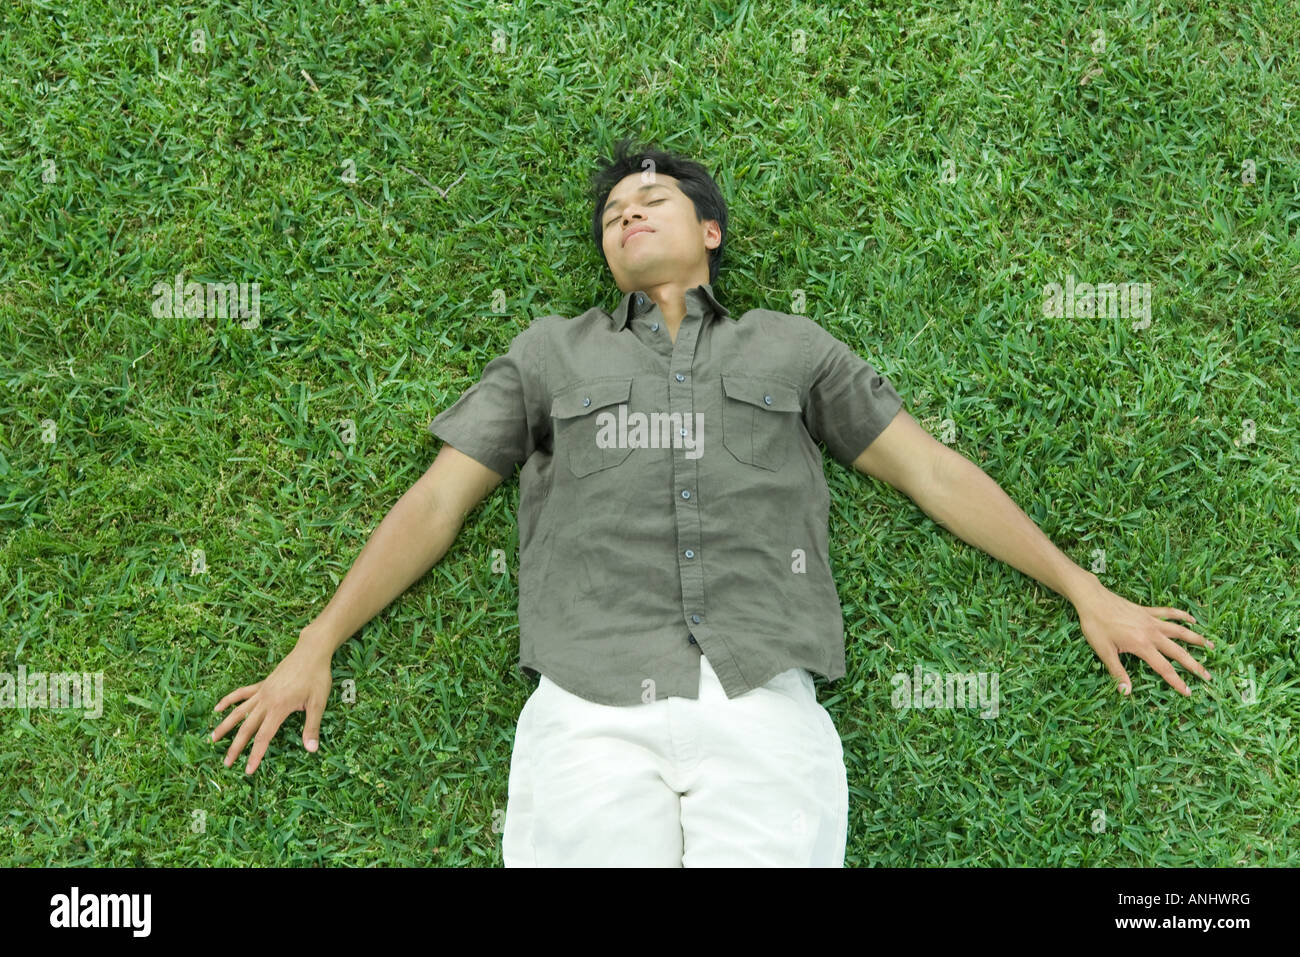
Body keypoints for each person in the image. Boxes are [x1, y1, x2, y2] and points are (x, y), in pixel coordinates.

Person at [212, 138, 1212, 866]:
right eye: (612, 215)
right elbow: (439, 500)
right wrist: (317, 641)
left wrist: (1083, 588)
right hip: (587, 703)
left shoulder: (792, 347)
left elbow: (930, 472)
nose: (626, 217)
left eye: (650, 200)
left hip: (761, 698)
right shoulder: (548, 353)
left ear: (709, 230)